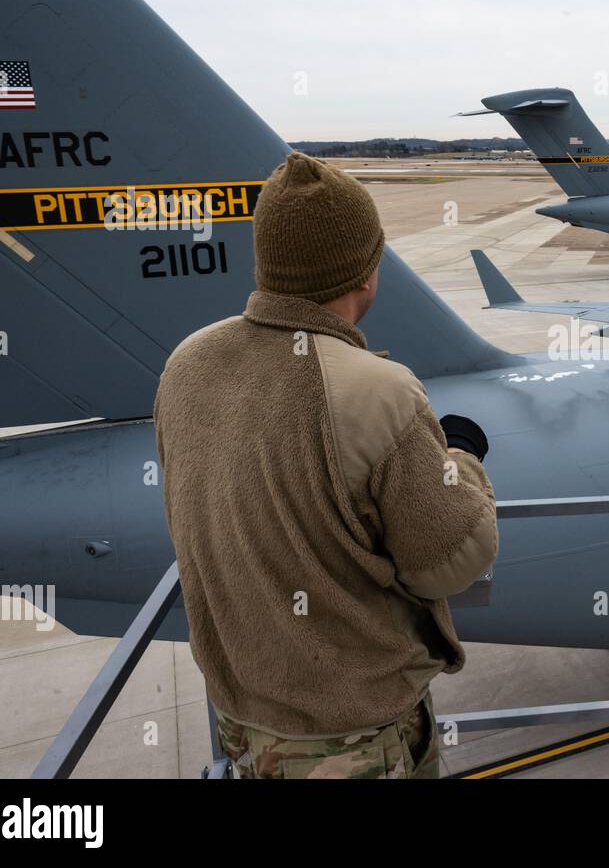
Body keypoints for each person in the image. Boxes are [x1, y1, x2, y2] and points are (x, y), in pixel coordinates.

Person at [154, 152, 497, 779]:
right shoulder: (376, 390)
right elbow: (451, 560)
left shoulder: (188, 362)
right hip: (349, 738)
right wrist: (461, 460)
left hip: (241, 714)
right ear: (366, 272)